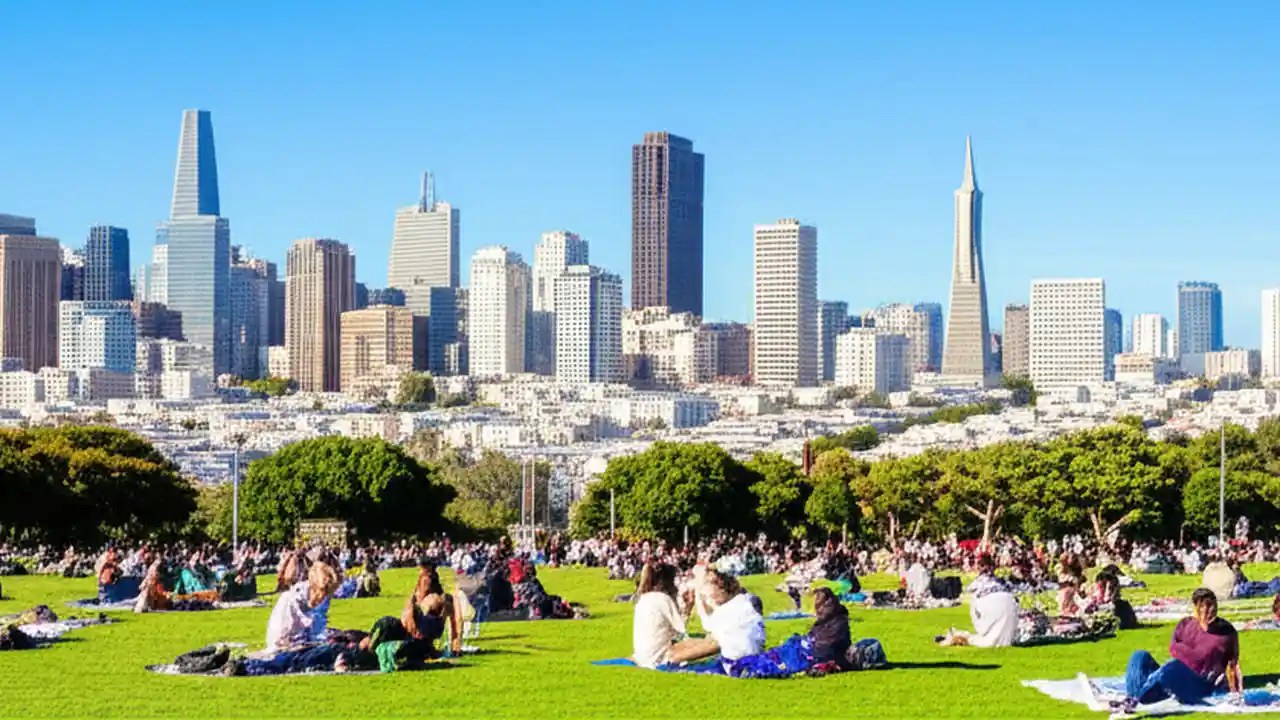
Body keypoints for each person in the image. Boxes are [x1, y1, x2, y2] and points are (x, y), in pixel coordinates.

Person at [1117, 588, 1241, 711]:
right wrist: (1192, 657)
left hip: (1201, 683)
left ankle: (1137, 699)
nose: (1208, 611)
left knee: (1173, 667)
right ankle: (1134, 695)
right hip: (1174, 677)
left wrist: (1234, 691)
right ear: (1195, 608)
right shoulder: (1185, 624)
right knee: (1139, 656)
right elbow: (1173, 648)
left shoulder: (1226, 632)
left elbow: (1231, 664)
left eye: (1212, 606)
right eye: (1203, 607)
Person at [631, 562, 717, 668]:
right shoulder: (663, 599)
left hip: (642, 656)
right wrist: (688, 608)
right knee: (713, 643)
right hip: (658, 659)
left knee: (696, 641)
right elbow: (681, 630)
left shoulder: (643, 598)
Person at [939, 554, 1018, 647]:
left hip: (993, 606)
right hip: (1009, 607)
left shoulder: (978, 581)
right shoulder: (999, 580)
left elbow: (968, 593)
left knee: (975, 604)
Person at [265, 561, 339, 650]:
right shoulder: (291, 599)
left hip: (303, 643)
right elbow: (280, 637)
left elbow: (318, 626)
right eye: (325, 593)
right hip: (284, 647)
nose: (325, 598)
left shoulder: (320, 599)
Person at [695, 569, 765, 661]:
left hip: (737, 663)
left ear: (721, 590)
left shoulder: (725, 611)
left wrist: (698, 598)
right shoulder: (745, 600)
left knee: (676, 655)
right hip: (756, 656)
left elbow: (708, 626)